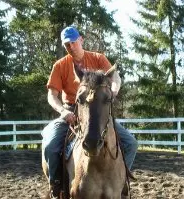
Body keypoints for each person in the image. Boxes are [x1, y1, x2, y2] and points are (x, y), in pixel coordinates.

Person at [41, 26, 138, 198]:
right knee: (50, 144)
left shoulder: (98, 58)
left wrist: (114, 90)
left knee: (130, 143)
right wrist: (62, 111)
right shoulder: (60, 65)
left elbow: (114, 76)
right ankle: (56, 185)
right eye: (67, 45)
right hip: (71, 110)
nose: (71, 47)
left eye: (73, 42)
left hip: (98, 110)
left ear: (81, 40)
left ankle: (121, 180)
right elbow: (51, 95)